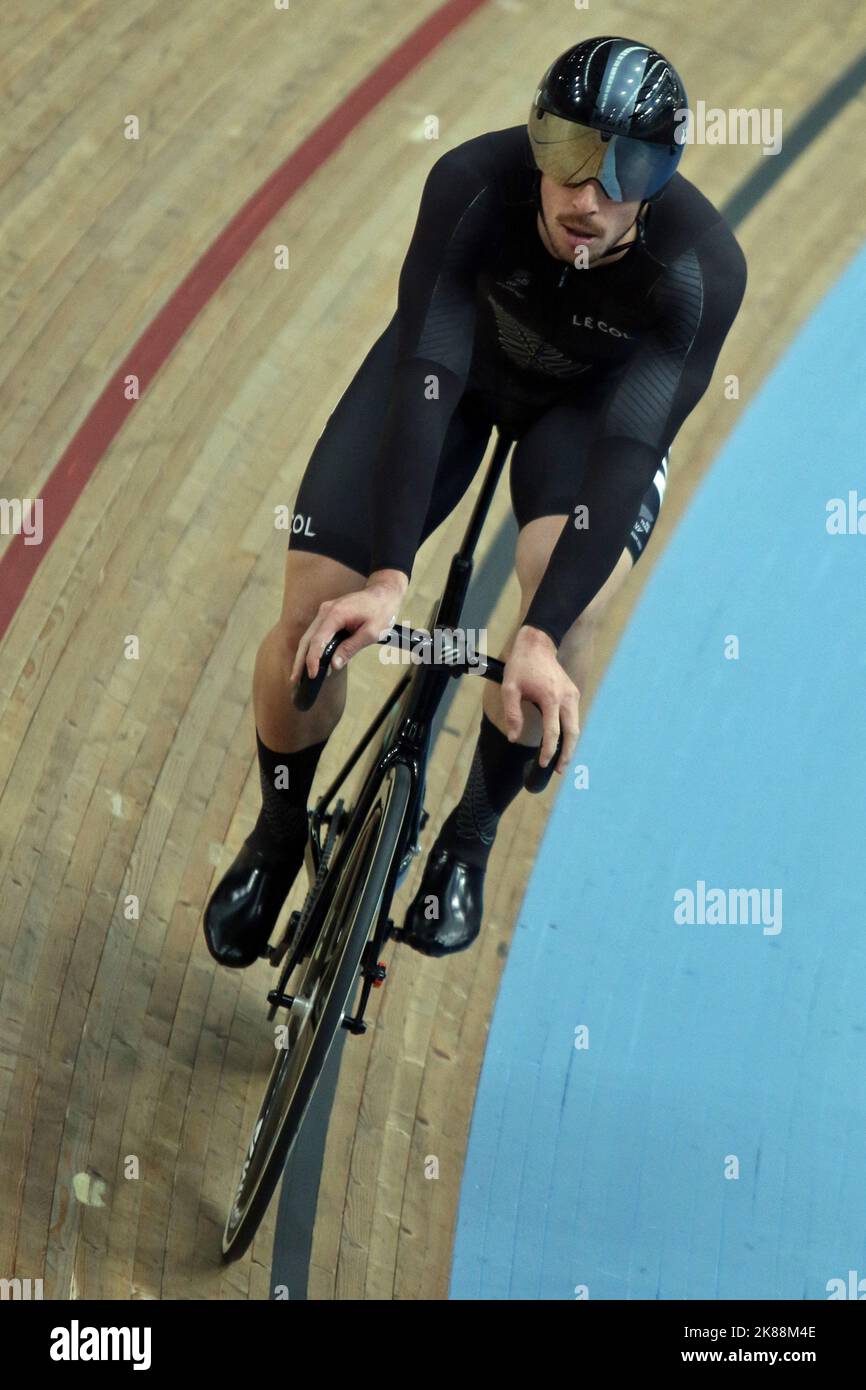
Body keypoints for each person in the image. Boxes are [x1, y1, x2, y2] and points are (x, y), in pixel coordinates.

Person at [203, 34, 747, 967]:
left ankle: (469, 838)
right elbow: (427, 369)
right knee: (312, 614)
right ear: (538, 143)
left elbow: (626, 452)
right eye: (573, 156)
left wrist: (534, 636)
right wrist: (386, 576)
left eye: (631, 169)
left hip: (587, 421)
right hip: (452, 377)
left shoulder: (701, 271)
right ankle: (279, 831)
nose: (592, 195)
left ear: (662, 180)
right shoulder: (472, 184)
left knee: (562, 612)